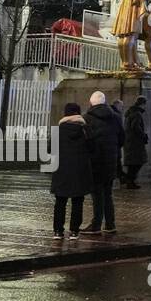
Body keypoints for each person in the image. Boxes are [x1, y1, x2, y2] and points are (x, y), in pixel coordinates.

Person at [82, 91, 122, 234]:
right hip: (111, 161)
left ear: (91, 103)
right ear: (105, 102)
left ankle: (96, 224)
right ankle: (110, 224)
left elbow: (85, 142)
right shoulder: (116, 118)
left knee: (97, 195)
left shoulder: (86, 119)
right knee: (108, 193)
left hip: (95, 162)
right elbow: (122, 139)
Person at [51, 103, 92, 240]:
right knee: (77, 202)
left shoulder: (58, 131)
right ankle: (74, 231)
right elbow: (92, 148)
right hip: (79, 171)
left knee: (60, 202)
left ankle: (58, 231)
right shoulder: (85, 130)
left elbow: (50, 150)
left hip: (61, 170)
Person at [121, 96, 149, 188]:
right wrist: (143, 135)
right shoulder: (137, 114)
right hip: (135, 142)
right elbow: (136, 127)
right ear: (142, 104)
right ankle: (129, 180)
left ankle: (129, 181)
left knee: (133, 164)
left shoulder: (130, 112)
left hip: (130, 141)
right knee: (137, 162)